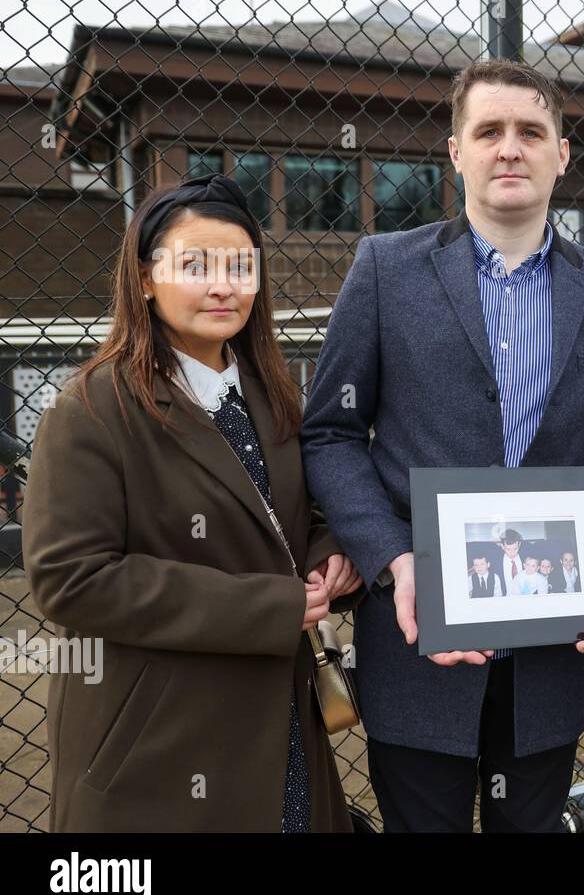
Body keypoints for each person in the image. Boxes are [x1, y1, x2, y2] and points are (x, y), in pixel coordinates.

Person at [299, 59, 584, 833]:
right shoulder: (386, 270)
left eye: (531, 131)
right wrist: (394, 558)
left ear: (562, 155)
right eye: (488, 131)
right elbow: (329, 432)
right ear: (456, 152)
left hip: (554, 648)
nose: (509, 148)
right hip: (421, 638)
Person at [22, 174, 363, 831]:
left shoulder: (273, 392)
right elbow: (72, 580)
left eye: (241, 265)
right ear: (145, 280)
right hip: (162, 735)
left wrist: (329, 555)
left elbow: (291, 514)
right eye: (196, 264)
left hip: (280, 714)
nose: (223, 284)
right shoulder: (91, 409)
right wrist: (270, 604)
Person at [496, 528, 526, 595]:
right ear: (502, 546)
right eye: (508, 549)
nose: (512, 553)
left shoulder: (527, 559)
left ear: (519, 544)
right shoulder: (496, 562)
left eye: (515, 549)